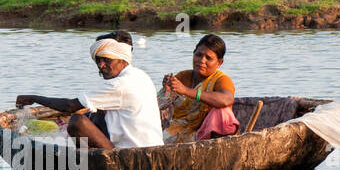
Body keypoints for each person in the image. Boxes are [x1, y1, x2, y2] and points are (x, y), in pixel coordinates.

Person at [15, 37, 163, 150]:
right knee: (94, 112)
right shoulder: (140, 75)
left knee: (76, 122)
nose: (101, 65)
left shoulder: (119, 84)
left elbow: (69, 106)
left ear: (122, 59)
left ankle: (95, 162)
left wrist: (34, 98)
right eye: (98, 61)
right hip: (153, 146)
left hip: (132, 151)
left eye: (106, 60)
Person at [159, 33, 237, 143]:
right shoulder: (183, 76)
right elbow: (163, 101)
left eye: (208, 58)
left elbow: (226, 99)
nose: (201, 60)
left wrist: (187, 91)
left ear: (219, 63)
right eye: (198, 55)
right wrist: (166, 89)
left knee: (223, 112)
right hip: (178, 130)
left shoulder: (221, 80)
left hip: (205, 136)